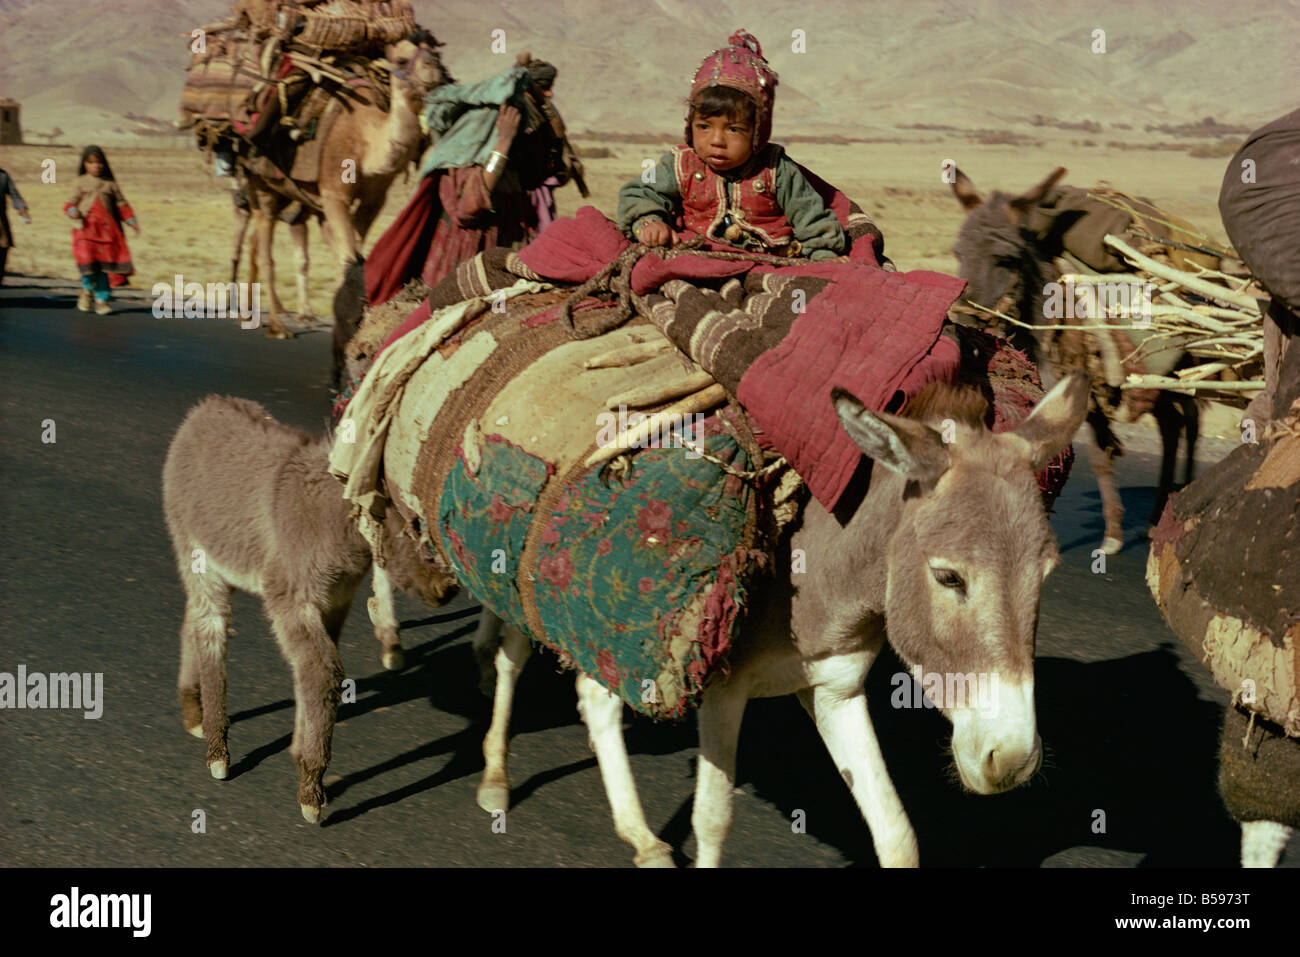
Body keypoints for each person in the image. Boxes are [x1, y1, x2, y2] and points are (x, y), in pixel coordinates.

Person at [361, 54, 583, 307]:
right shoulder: (461, 164)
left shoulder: (515, 166)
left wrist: (537, 98)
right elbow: (469, 207)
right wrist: (503, 141)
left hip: (503, 266)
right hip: (463, 270)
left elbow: (551, 166)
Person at [618, 31, 846, 261]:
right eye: (704, 127)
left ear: (758, 131)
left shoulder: (777, 169)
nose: (717, 140)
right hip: (699, 259)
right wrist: (648, 224)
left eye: (733, 129)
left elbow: (812, 219)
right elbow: (639, 194)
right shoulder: (680, 164)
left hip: (772, 263)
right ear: (690, 126)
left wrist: (823, 259)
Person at [63, 145, 139, 315]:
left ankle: (102, 300)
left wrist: (131, 220)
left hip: (107, 233)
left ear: (104, 164)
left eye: (99, 163)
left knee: (105, 268)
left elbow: (122, 204)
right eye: (91, 163)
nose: (95, 166)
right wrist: (72, 211)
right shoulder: (80, 182)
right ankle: (87, 291)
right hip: (85, 231)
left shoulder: (110, 184)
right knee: (88, 264)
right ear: (85, 164)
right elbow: (69, 203)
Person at [0, 166, 32, 286]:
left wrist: (22, 210)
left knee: (3, 253)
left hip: (1, 225)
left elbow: (15, 195)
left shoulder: (3, 176)